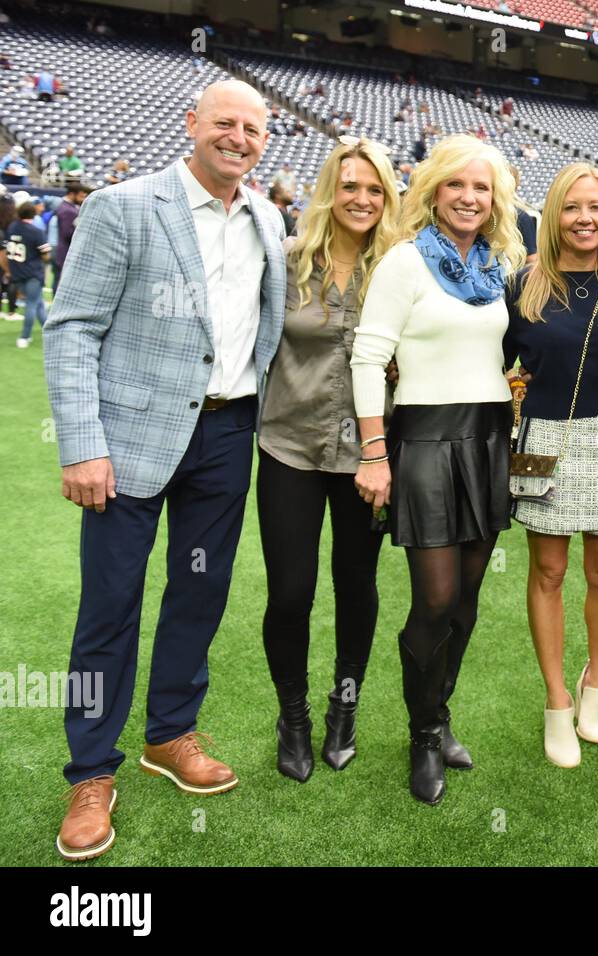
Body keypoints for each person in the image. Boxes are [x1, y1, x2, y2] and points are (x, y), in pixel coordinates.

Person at [43, 80, 285, 861]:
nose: (238, 137)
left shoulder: (268, 219)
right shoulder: (124, 206)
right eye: (224, 122)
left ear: (264, 140)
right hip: (131, 437)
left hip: (227, 432)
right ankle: (90, 770)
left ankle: (170, 734)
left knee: (199, 591)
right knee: (109, 604)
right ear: (190, 124)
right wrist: (82, 441)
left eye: (252, 128)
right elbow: (74, 326)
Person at [350, 134, 526, 805]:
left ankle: (440, 712)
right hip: (423, 441)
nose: (469, 198)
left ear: (494, 199)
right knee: (434, 598)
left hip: (487, 439)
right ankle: (422, 735)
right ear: (433, 191)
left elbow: (498, 352)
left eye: (481, 188)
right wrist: (373, 453)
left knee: (468, 599)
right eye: (457, 186)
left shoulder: (493, 265)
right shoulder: (403, 262)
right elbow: (368, 358)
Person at [259, 138, 400, 782]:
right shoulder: (286, 262)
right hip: (289, 446)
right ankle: (293, 716)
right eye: (350, 187)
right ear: (329, 191)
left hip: (367, 456)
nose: (362, 200)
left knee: (356, 584)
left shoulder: (400, 268)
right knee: (290, 591)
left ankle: (344, 707)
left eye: (375, 190)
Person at [504, 162, 598, 768]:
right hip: (540, 441)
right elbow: (489, 360)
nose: (584, 219)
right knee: (549, 572)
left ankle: (597, 683)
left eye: (596, 207)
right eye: (571, 207)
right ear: (553, 216)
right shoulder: (522, 287)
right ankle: (556, 700)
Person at [1, 200, 51, 347]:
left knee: (38, 303)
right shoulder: (36, 231)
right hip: (32, 273)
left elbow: (5, 251)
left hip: (17, 272)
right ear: (34, 214)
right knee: (32, 304)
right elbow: (46, 255)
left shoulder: (12, 227)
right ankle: (24, 336)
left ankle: (49, 332)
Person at [51, 182, 86, 293]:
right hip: (63, 251)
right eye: (81, 196)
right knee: (61, 282)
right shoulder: (68, 210)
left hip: (59, 249)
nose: (82, 199)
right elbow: (67, 233)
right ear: (72, 194)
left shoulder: (64, 206)